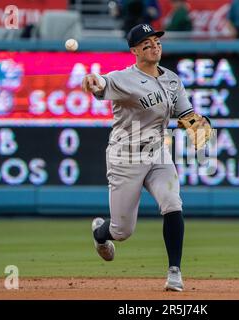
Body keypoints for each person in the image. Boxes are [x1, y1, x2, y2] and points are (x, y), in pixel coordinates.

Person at [81, 23, 211, 292]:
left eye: (157, 42)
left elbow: (185, 114)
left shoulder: (172, 79)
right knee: (122, 231)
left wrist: (195, 124)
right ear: (134, 51)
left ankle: (174, 272)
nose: (154, 46)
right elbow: (101, 82)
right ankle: (100, 233)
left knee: (173, 203)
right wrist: (93, 80)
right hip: (125, 157)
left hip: (158, 153)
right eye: (146, 44)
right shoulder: (123, 79)